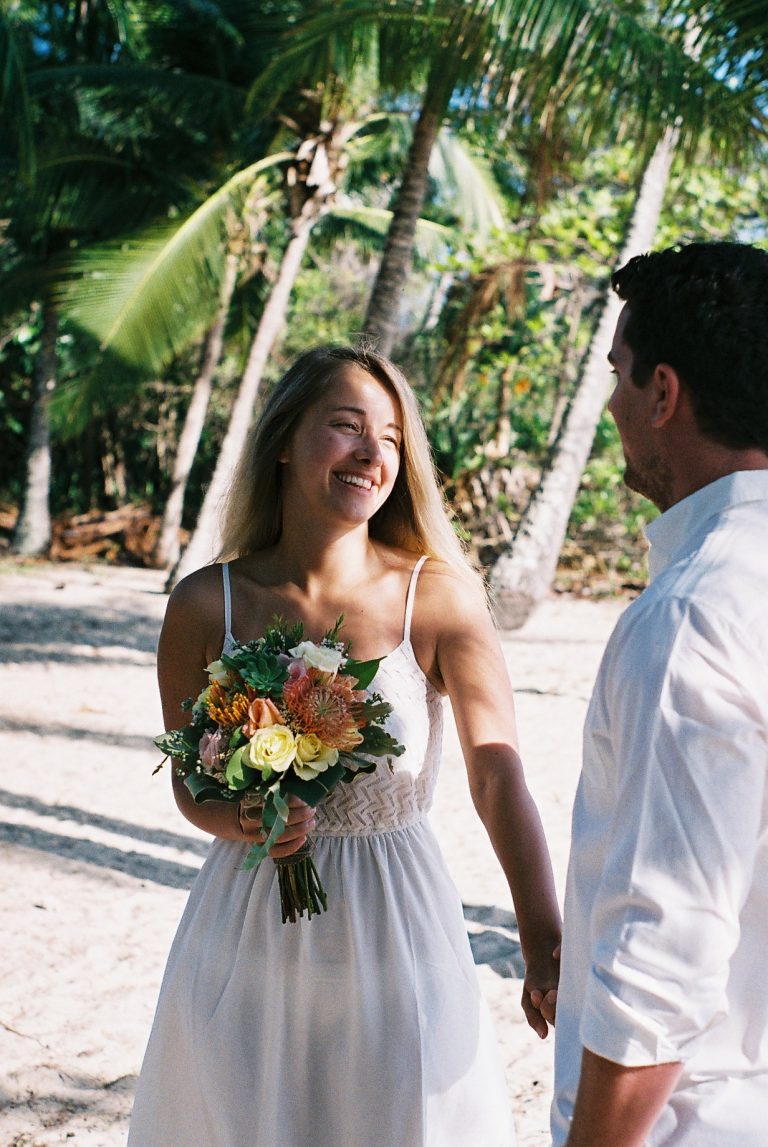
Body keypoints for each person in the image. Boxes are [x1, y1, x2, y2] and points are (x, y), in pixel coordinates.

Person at [128, 344, 561, 1147]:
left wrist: (543, 936)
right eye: (347, 426)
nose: (372, 453)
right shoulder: (202, 602)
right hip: (248, 926)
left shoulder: (436, 597)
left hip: (396, 922)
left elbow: (497, 774)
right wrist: (247, 821)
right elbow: (192, 786)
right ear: (286, 439)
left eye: (392, 437)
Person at [552, 241, 768, 1147]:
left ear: (664, 393)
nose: (610, 405)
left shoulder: (693, 613)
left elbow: (663, 951)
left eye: (619, 375)